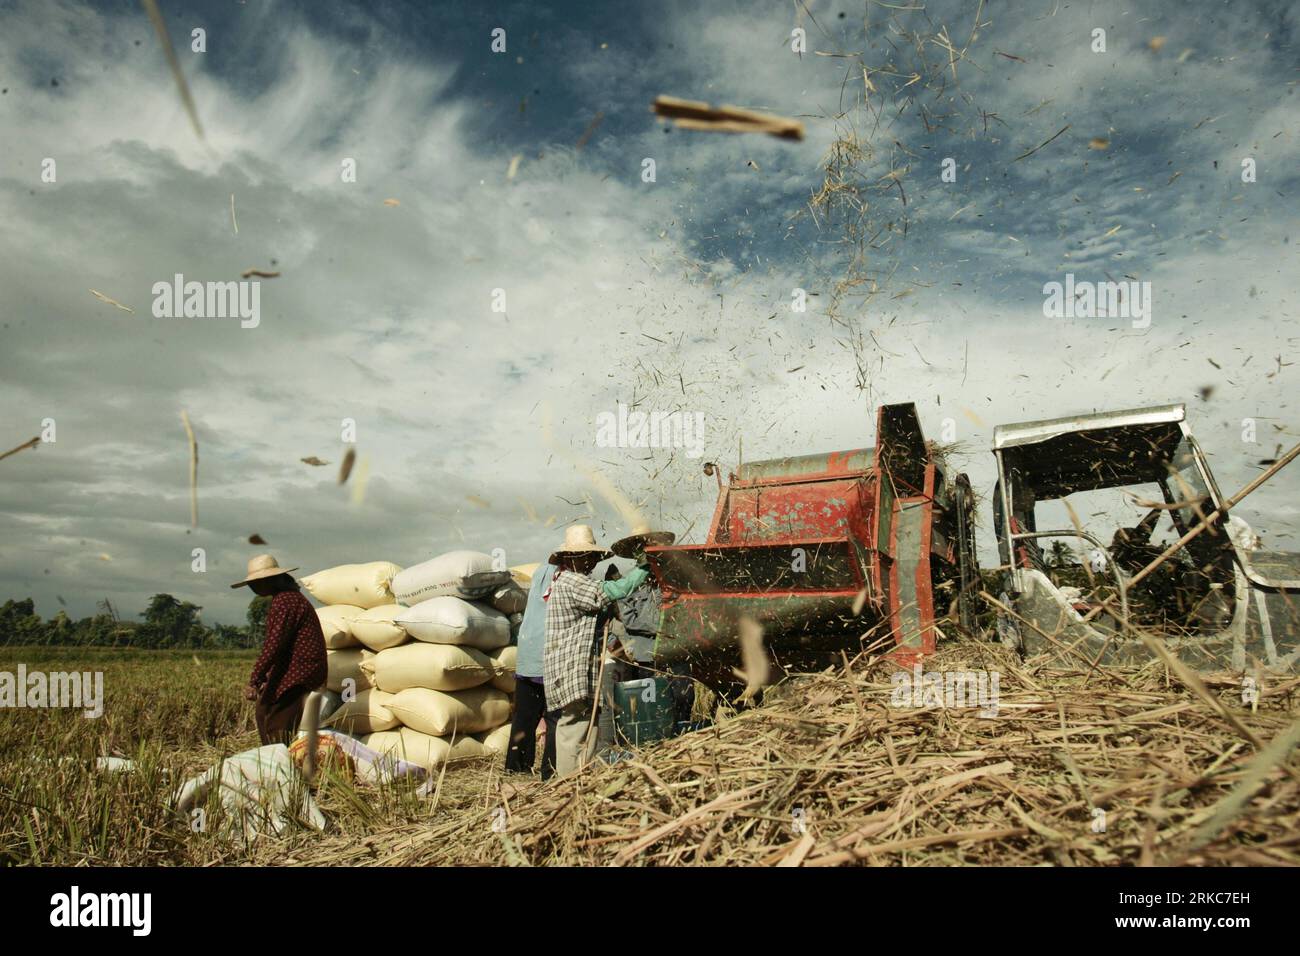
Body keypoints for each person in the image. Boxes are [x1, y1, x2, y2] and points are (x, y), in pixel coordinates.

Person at [543, 525, 649, 776]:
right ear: (569, 558)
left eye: (592, 557)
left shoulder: (570, 581)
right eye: (584, 556)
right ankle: (568, 786)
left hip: (578, 667)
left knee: (586, 728)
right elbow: (616, 590)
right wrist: (645, 566)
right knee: (576, 727)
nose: (590, 562)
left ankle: (579, 780)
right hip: (571, 667)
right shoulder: (571, 581)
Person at [231, 554, 327, 746]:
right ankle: (273, 757)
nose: (253, 587)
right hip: (294, 666)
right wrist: (266, 676)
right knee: (263, 710)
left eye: (256, 582)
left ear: (270, 580)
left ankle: (280, 762)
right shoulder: (287, 599)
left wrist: (255, 680)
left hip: (300, 669)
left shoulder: (285, 601)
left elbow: (274, 644)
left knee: (275, 721)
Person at [609, 525, 695, 729]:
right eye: (643, 545)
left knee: (683, 696)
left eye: (652, 543)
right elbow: (629, 619)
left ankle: (684, 733)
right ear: (636, 550)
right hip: (646, 655)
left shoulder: (675, 577)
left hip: (675, 650)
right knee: (652, 704)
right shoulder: (628, 583)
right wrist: (660, 626)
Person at [504, 561, 559, 779]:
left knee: (524, 717)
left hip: (528, 656)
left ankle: (516, 768)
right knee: (556, 718)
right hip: (549, 657)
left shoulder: (539, 575)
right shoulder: (565, 577)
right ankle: (550, 772)